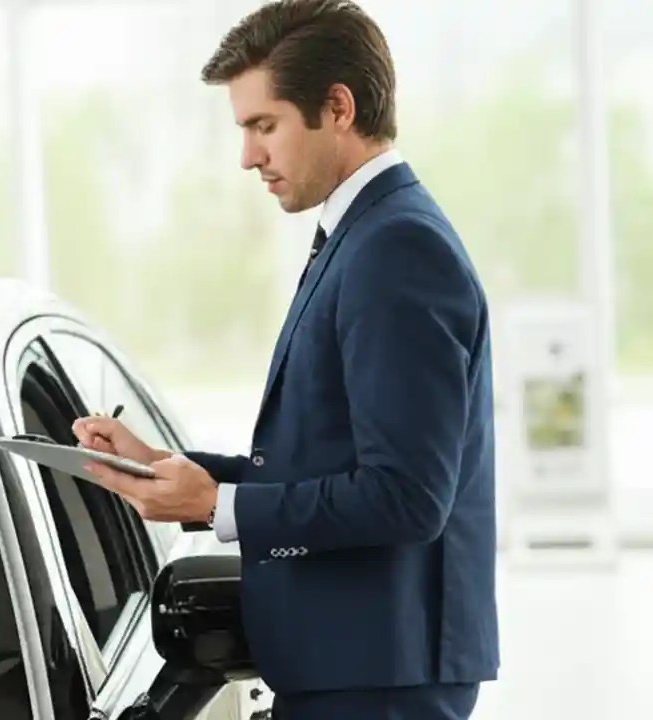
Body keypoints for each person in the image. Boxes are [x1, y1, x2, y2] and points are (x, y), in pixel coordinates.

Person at [74, 1, 498, 717]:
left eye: (263, 126)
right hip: (358, 662)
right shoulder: (361, 235)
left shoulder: (395, 249)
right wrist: (184, 473)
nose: (248, 156)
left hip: (379, 674)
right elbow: (330, 463)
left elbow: (408, 495)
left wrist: (217, 504)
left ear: (337, 107)